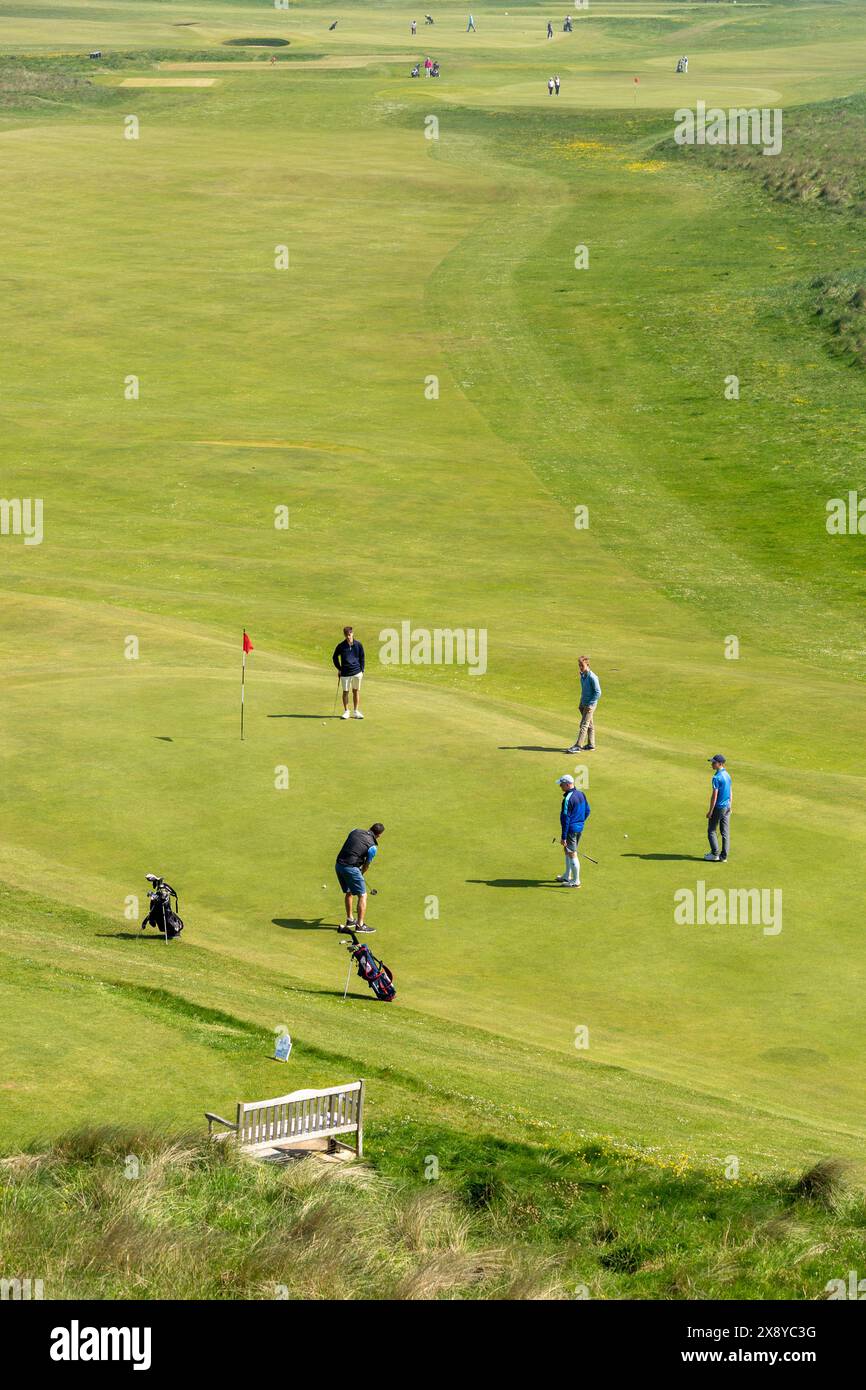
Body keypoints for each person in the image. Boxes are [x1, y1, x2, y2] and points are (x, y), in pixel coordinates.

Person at [335, 823, 384, 932]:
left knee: (349, 891)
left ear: (370, 828)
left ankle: (350, 919)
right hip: (351, 868)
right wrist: (360, 873)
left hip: (338, 865)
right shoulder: (372, 847)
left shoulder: (355, 831)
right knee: (363, 895)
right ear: (379, 835)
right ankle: (360, 925)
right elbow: (366, 865)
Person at [555, 775, 590, 887]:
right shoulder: (581, 794)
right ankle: (567, 876)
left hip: (571, 830)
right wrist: (580, 822)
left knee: (572, 854)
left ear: (568, 784)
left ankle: (575, 881)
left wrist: (564, 837)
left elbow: (566, 819)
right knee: (568, 851)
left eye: (562, 784)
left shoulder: (568, 799)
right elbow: (587, 810)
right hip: (579, 828)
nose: (560, 786)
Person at [566, 655, 601, 752]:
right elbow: (584, 690)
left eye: (582, 665)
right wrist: (581, 703)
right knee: (589, 724)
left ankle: (578, 746)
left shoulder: (592, 677)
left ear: (587, 664)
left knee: (584, 724)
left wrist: (591, 704)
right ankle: (591, 744)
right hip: (583, 704)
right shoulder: (583, 676)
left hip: (590, 705)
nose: (580, 667)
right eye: (579, 665)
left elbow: (598, 692)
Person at [332, 625, 365, 719]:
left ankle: (356, 711)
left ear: (352, 633)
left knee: (356, 691)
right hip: (345, 673)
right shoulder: (341, 646)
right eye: (346, 634)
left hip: (357, 672)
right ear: (344, 635)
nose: (348, 636)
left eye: (349, 634)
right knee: (345, 692)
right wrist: (339, 668)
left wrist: (362, 670)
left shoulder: (358, 645)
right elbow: (334, 657)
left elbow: (362, 657)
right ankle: (346, 711)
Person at [704, 755, 732, 862]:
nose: (712, 764)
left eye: (714, 763)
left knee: (711, 830)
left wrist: (710, 811)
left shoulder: (716, 777)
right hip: (727, 806)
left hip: (719, 807)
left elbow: (714, 795)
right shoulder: (727, 775)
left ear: (720, 764)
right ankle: (723, 857)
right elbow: (730, 791)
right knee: (725, 832)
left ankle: (715, 854)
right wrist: (730, 805)